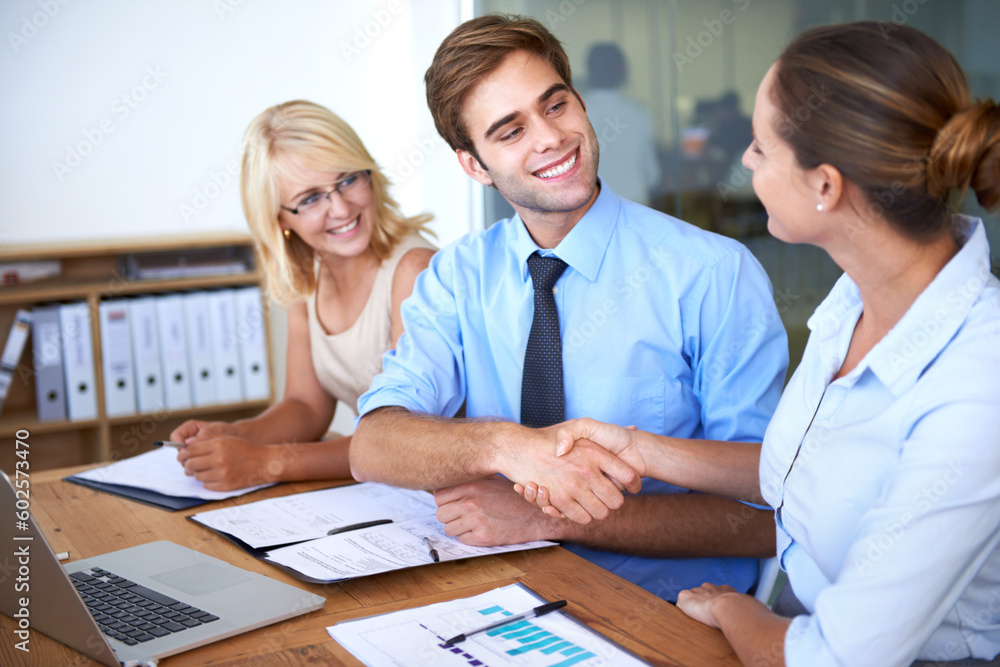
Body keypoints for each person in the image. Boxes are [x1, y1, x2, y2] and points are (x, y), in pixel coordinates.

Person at [520, 22, 1000, 666]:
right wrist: (638, 448)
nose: (746, 161)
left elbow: (832, 659)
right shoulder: (856, 303)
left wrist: (731, 608)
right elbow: (803, 463)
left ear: (825, 186)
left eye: (762, 147)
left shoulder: (977, 385)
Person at [349, 15, 789, 602]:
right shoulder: (457, 276)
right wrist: (505, 446)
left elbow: (765, 516)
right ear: (474, 166)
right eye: (510, 131)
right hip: (499, 596)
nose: (551, 138)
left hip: (666, 612)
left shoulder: (712, 273)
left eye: (555, 105)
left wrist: (549, 518)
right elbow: (372, 444)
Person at [170, 100, 436, 491]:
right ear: (280, 219)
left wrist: (266, 463)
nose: (341, 208)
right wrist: (235, 434)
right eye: (310, 198)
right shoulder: (307, 277)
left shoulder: (415, 269)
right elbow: (307, 406)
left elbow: (405, 440)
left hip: (443, 493)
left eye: (348, 179)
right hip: (387, 490)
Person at [583, 42, 661, 207]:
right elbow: (652, 175)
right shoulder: (639, 112)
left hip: (593, 204)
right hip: (635, 202)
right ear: (622, 71)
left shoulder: (578, 112)